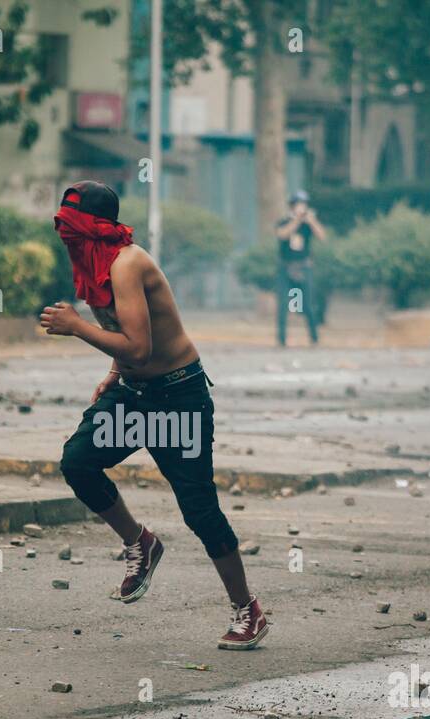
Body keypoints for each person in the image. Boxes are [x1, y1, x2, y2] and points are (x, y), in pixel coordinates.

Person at [42, 181, 268, 649]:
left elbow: (142, 347)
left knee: (199, 511)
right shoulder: (92, 263)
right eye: (62, 228)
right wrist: (113, 370)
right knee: (78, 462)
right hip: (133, 391)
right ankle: (139, 542)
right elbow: (123, 333)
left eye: (73, 228)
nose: (66, 237)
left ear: (96, 229)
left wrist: (76, 327)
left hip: (178, 396)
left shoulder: (128, 263)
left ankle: (248, 610)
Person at [274, 189, 328, 347]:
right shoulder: (285, 221)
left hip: (304, 267)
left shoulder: (308, 224)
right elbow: (282, 234)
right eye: (298, 204)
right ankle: (281, 340)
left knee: (309, 304)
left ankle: (314, 339)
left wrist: (311, 221)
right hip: (285, 268)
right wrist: (296, 220)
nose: (301, 207)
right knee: (284, 304)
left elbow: (322, 236)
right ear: (292, 206)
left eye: (303, 204)